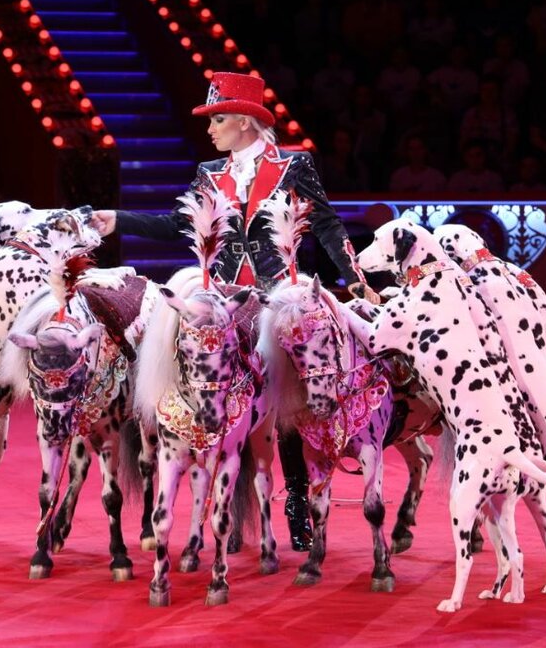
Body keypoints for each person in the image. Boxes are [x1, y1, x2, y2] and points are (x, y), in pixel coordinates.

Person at [91, 72, 379, 553]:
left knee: (295, 371)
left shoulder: (293, 166)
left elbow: (327, 225)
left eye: (218, 119)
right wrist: (119, 220)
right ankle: (151, 447)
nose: (210, 129)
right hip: (220, 292)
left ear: (245, 122)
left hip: (275, 291)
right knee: (153, 332)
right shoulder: (209, 173)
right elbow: (177, 225)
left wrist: (356, 278)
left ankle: (296, 498)